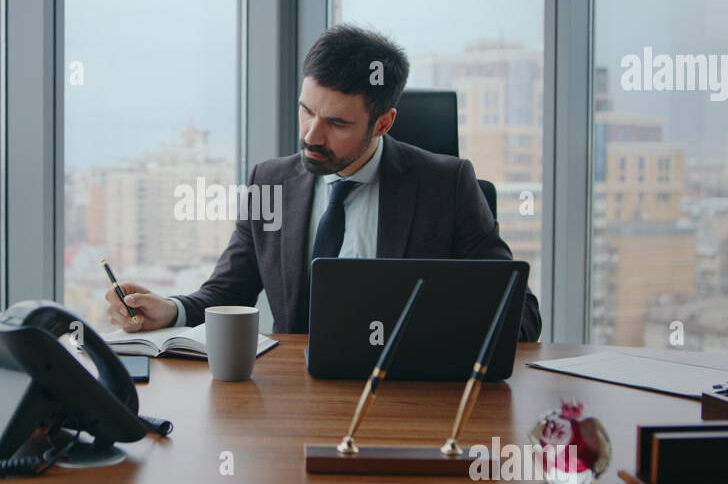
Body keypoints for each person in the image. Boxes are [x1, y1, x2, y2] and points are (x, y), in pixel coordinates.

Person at [104, 24, 542, 341]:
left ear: (383, 123)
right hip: (296, 394)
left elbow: (521, 315)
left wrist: (433, 330)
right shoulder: (270, 182)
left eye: (336, 123)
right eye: (307, 111)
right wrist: (172, 309)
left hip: (412, 392)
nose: (312, 136)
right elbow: (227, 291)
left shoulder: (446, 185)